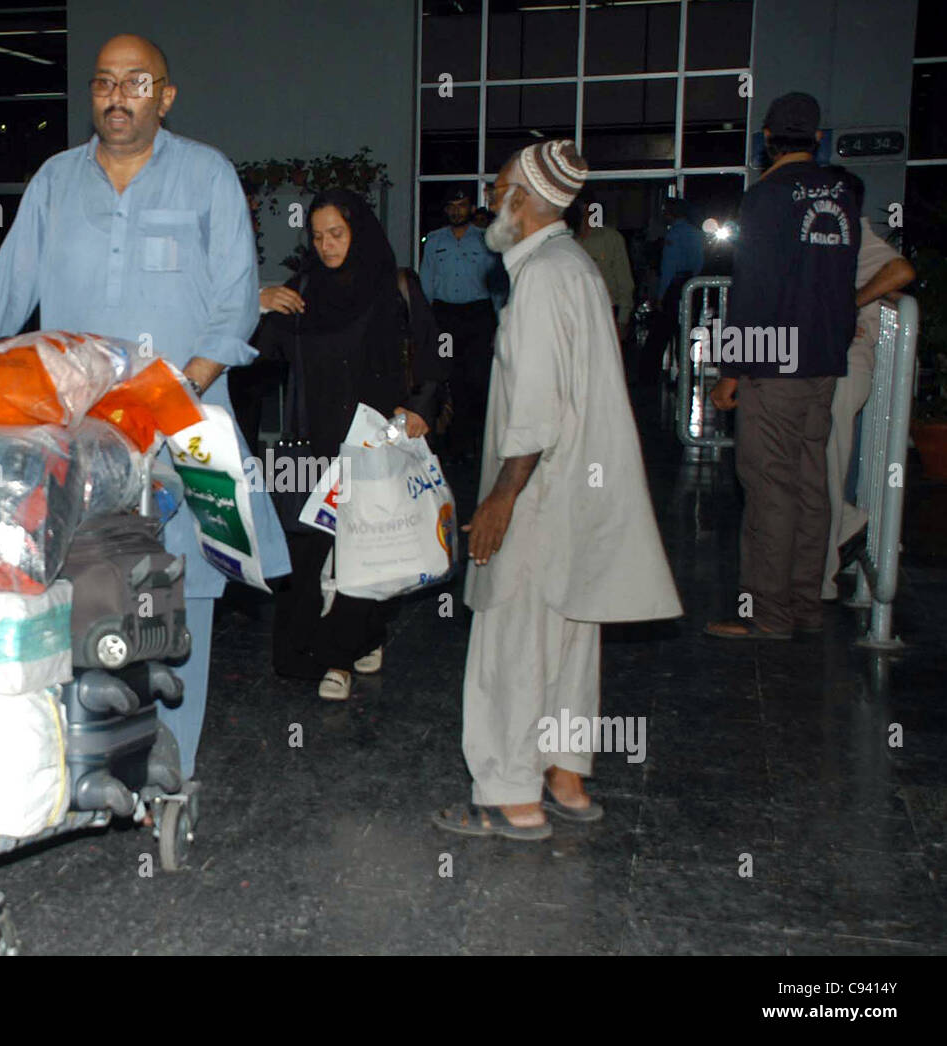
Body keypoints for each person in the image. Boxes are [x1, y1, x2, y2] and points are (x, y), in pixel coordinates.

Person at [0, 34, 291, 782]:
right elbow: (2, 299)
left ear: (164, 96)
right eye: (105, 81)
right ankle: (87, 755)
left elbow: (236, 307)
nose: (118, 95)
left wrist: (173, 394)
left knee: (183, 591)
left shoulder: (206, 176)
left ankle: (171, 767)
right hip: (83, 439)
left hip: (187, 429)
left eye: (136, 82)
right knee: (84, 585)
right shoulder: (53, 181)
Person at [432, 140, 681, 841]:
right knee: (570, 632)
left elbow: (535, 408)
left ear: (525, 201)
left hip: (536, 490)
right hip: (577, 487)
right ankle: (564, 778)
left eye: (500, 185)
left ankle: (511, 796)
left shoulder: (541, 277)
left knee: (510, 638)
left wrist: (501, 500)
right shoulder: (572, 266)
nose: (490, 196)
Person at [253, 189, 446, 701]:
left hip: (375, 439)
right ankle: (321, 648)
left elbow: (429, 356)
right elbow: (255, 349)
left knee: (371, 548)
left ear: (358, 230)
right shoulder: (305, 289)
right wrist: (256, 301)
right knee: (308, 549)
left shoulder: (395, 287)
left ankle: (337, 657)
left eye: (336, 233)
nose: (326, 245)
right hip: (314, 442)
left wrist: (420, 406)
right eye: (317, 237)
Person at [704, 92, 860, 639]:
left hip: (774, 362)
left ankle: (767, 617)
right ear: (818, 138)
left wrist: (730, 373)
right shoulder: (843, 192)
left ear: (767, 138)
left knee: (769, 487)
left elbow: (752, 290)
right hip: (823, 359)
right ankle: (803, 605)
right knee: (810, 484)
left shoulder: (766, 198)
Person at [821, 170, 915, 601]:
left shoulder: (853, 232)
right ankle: (849, 526)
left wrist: (849, 306)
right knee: (823, 467)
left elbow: (899, 271)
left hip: (846, 366)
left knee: (828, 466)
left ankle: (824, 574)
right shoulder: (835, 234)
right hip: (833, 364)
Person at [419, 185, 503, 462]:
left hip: (478, 318)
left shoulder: (485, 240)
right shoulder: (434, 241)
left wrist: (501, 324)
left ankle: (474, 438)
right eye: (452, 207)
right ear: (446, 210)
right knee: (447, 376)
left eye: (463, 205)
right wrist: (424, 324)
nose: (457, 211)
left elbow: (496, 286)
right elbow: (426, 283)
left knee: (477, 379)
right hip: (445, 318)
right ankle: (451, 440)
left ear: (470, 207)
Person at [637, 196, 703, 385]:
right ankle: (685, 380)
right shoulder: (696, 233)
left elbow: (669, 268)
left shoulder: (674, 234)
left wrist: (661, 295)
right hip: (691, 286)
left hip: (674, 288)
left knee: (658, 336)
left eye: (665, 210)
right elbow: (699, 263)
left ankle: (647, 379)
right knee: (685, 336)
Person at [569, 191, 635, 340]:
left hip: (603, 312)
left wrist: (623, 319)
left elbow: (624, 280)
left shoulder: (611, 239)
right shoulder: (565, 240)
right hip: (571, 313)